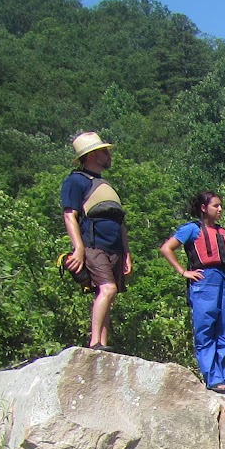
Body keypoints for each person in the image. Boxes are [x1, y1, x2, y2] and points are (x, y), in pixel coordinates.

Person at [160, 190, 225, 392]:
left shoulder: (222, 232)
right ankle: (212, 377)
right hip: (204, 283)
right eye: (215, 206)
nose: (220, 209)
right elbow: (167, 248)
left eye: (220, 205)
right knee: (206, 329)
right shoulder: (191, 229)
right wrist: (183, 271)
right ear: (203, 208)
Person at [60, 131, 130, 351]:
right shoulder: (75, 181)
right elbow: (69, 215)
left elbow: (120, 221)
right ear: (91, 155)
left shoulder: (103, 183)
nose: (108, 154)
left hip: (114, 247)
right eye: (104, 151)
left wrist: (126, 253)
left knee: (109, 294)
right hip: (93, 245)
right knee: (107, 289)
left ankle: (103, 344)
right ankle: (94, 343)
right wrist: (78, 248)